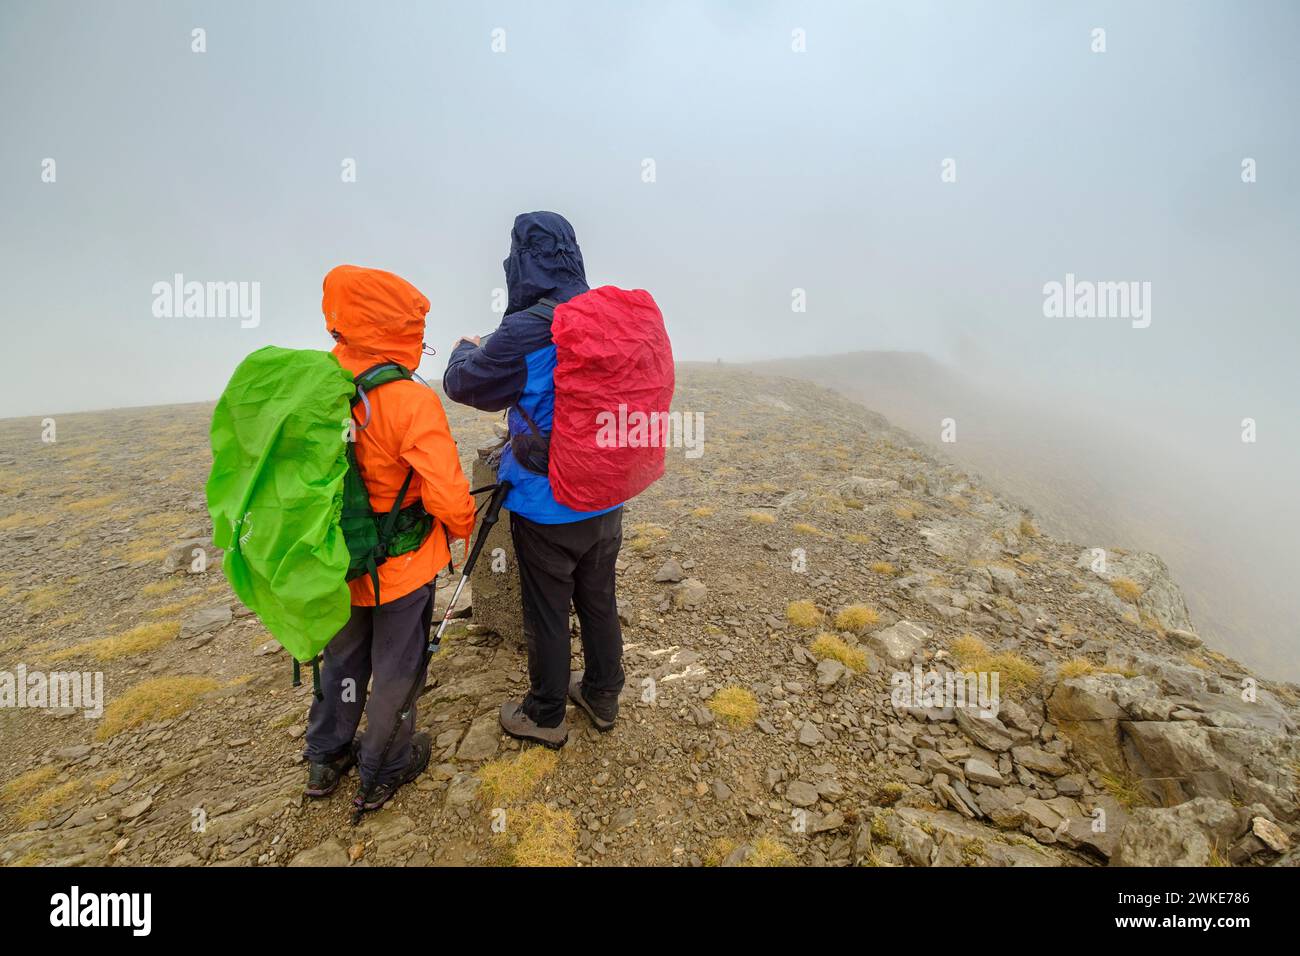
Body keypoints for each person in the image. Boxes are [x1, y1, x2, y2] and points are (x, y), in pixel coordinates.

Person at [443, 212, 625, 748]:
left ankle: (544, 713)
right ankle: (602, 692)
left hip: (548, 503)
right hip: (607, 492)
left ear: (521, 263)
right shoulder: (605, 316)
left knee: (548, 609)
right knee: (598, 598)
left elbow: (467, 385)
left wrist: (464, 346)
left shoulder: (528, 329)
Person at [304, 265, 477, 810]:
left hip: (334, 560)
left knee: (342, 660)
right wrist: (462, 528)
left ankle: (326, 756)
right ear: (401, 330)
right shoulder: (408, 399)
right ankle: (385, 768)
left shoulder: (312, 388)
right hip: (401, 569)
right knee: (398, 665)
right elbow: (447, 494)